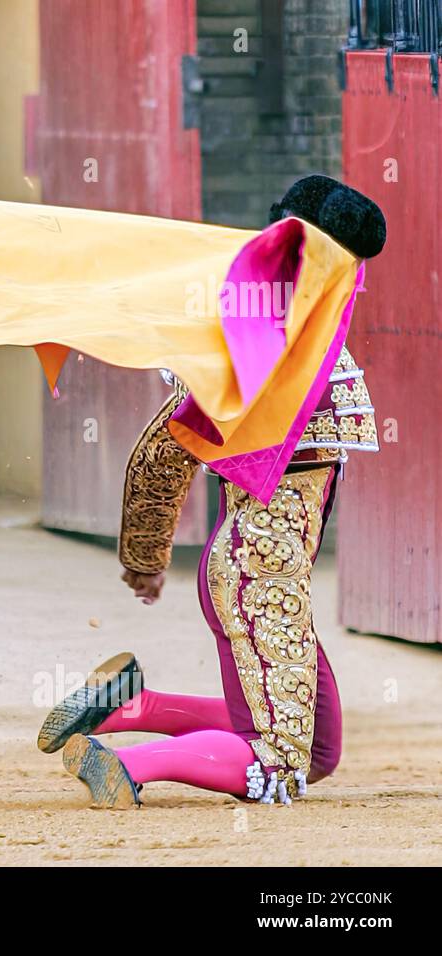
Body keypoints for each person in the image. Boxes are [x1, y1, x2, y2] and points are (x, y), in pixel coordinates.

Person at [37, 175, 386, 807]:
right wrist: (143, 560)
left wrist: (147, 559)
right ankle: (129, 767)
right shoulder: (274, 347)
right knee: (282, 759)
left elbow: (167, 450)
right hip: (262, 577)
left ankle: (124, 708)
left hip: (259, 572)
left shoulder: (274, 340)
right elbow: (169, 445)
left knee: (319, 751)